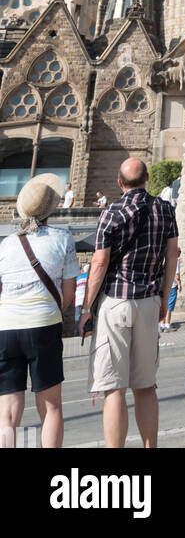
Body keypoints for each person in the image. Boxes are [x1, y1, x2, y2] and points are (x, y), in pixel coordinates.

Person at [79, 157, 179, 449]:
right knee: (146, 386)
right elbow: (172, 254)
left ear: (120, 183)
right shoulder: (165, 208)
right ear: (148, 178)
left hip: (115, 301)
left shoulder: (111, 212)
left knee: (114, 389)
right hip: (148, 300)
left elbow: (99, 261)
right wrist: (163, 295)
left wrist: (87, 309)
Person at [0, 175, 79, 449]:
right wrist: (53, 310)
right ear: (51, 210)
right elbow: (69, 294)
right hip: (43, 323)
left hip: (6, 325)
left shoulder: (6, 244)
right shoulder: (62, 238)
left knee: (7, 413)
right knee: (51, 407)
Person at [160, 249, 181, 331]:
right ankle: (167, 325)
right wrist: (179, 284)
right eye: (179, 252)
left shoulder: (166, 261)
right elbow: (177, 275)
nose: (179, 254)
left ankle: (162, 324)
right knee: (169, 307)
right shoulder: (176, 261)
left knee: (163, 305)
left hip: (164, 286)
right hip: (172, 286)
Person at [75, 263, 89, 331]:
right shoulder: (90, 276)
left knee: (77, 319)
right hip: (88, 302)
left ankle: (76, 336)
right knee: (89, 320)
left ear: (83, 270)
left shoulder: (78, 278)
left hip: (78, 301)